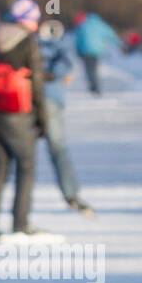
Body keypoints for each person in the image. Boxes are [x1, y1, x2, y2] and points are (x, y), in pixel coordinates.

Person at [0, 0, 47, 238]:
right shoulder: (26, 41)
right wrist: (43, 118)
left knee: (0, 167)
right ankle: (21, 223)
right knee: (26, 166)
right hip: (19, 110)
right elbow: (36, 81)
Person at [38, 17, 93, 216]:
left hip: (31, 99)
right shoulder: (61, 44)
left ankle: (12, 206)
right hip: (50, 98)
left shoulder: (28, 40)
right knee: (58, 148)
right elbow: (65, 65)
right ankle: (71, 194)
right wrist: (54, 76)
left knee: (23, 154)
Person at [73, 11, 121, 94]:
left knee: (88, 69)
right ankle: (95, 86)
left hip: (85, 50)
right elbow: (111, 34)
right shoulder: (100, 25)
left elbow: (78, 39)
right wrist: (119, 44)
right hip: (97, 51)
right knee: (94, 69)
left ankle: (93, 86)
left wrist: (77, 50)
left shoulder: (83, 25)